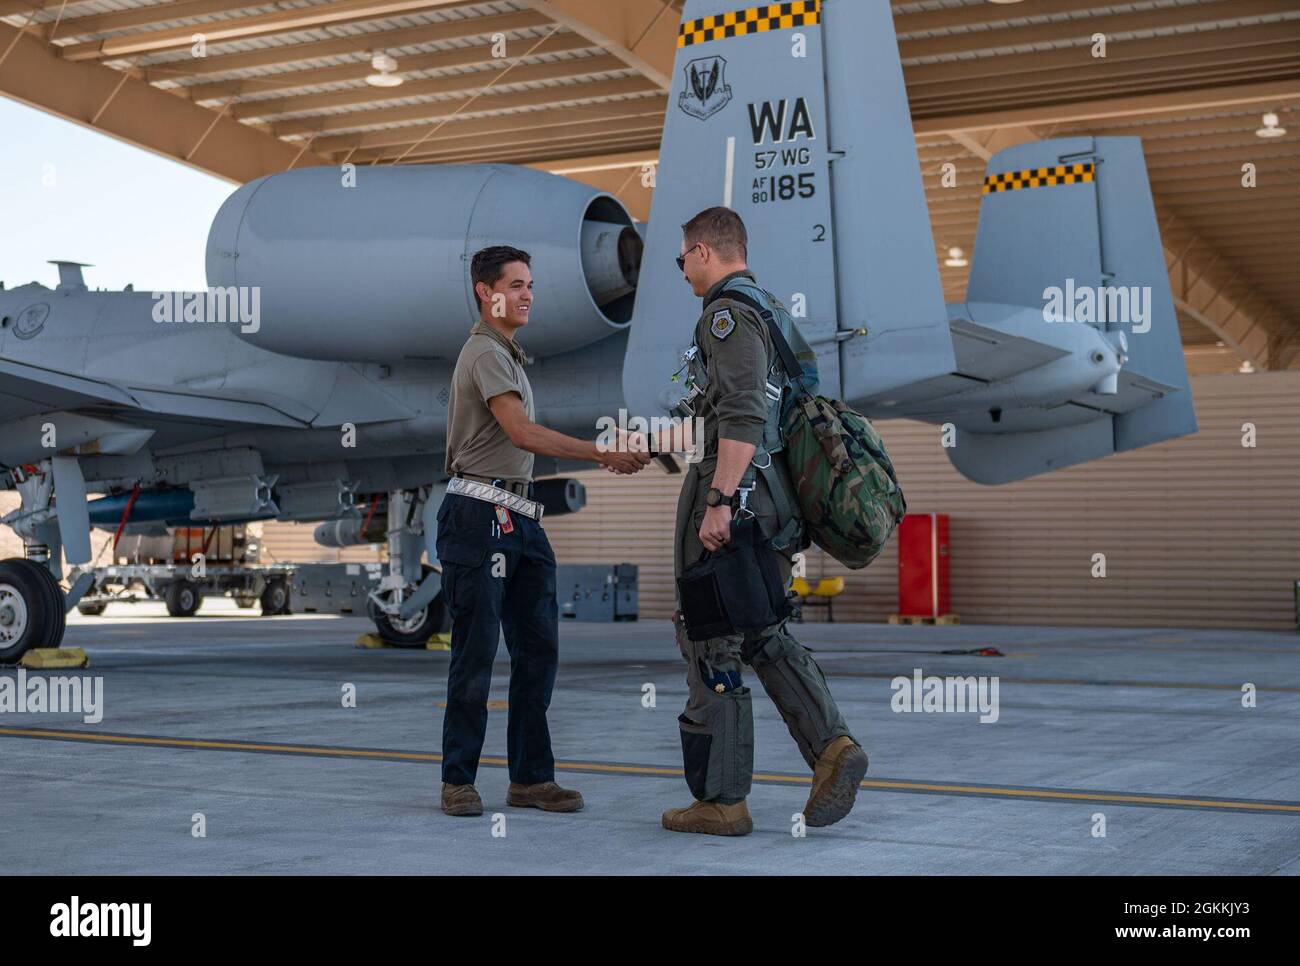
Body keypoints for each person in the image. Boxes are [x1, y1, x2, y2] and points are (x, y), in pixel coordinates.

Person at [630, 207, 867, 836]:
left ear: (704, 251)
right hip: (773, 500)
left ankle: (721, 800)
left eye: (681, 259)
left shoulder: (725, 316)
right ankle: (832, 750)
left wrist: (719, 503)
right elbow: (738, 408)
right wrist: (654, 445)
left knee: (710, 635)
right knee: (762, 628)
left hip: (737, 498)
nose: (681, 271)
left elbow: (739, 415)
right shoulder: (771, 311)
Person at [437, 245, 650, 817]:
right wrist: (599, 453)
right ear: (487, 292)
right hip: (479, 515)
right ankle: (458, 779)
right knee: (476, 651)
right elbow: (522, 434)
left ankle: (530, 780)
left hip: (521, 517)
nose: (529, 294)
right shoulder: (483, 352)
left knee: (537, 652)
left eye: (531, 283)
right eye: (517, 284)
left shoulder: (508, 355)